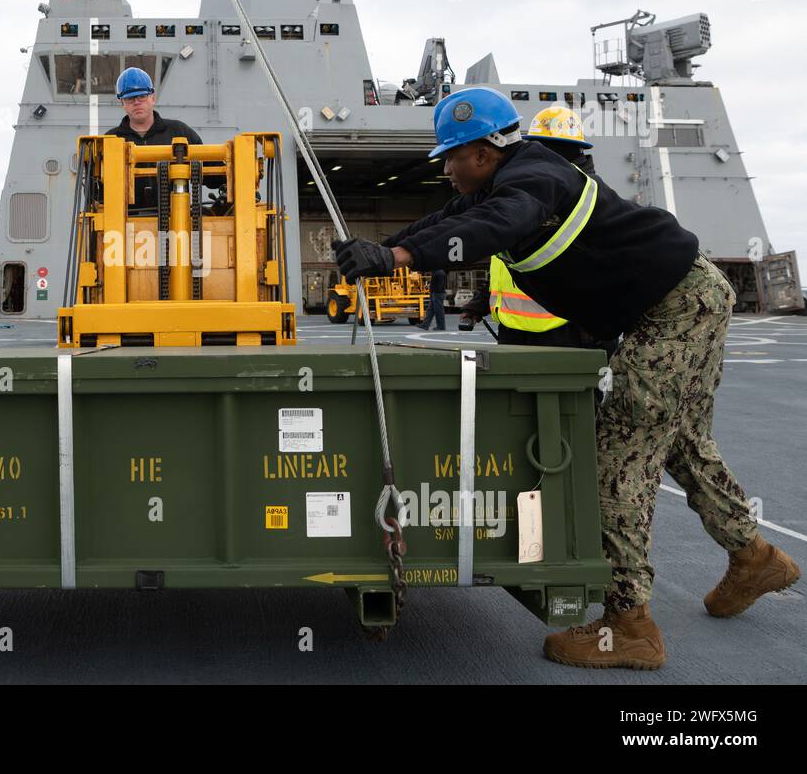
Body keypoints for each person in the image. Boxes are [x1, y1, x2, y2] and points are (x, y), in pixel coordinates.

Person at [334, 86, 800, 670]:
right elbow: (448, 222)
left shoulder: (532, 178)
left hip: (678, 310)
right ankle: (753, 557)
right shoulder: (505, 179)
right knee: (680, 442)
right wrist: (381, 249)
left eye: (453, 156)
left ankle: (630, 626)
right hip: (682, 303)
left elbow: (498, 224)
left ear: (484, 151)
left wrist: (400, 262)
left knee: (613, 460)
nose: (447, 168)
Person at [458, 106, 615, 356]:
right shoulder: (525, 192)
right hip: (514, 329)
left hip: (568, 330)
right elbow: (507, 260)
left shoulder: (587, 197)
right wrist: (480, 303)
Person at [106, 67, 206, 209]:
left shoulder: (179, 132)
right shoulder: (111, 140)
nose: (136, 102)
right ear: (122, 103)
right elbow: (96, 190)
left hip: (177, 221)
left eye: (142, 96)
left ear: (153, 98)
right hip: (126, 222)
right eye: (130, 98)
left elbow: (211, 171)